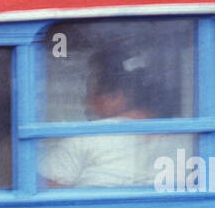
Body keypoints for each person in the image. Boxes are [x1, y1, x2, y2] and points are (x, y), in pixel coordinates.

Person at [40, 50, 182, 188]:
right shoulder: (184, 136)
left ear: (115, 97)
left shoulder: (83, 140)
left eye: (91, 92)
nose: (87, 102)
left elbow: (46, 201)